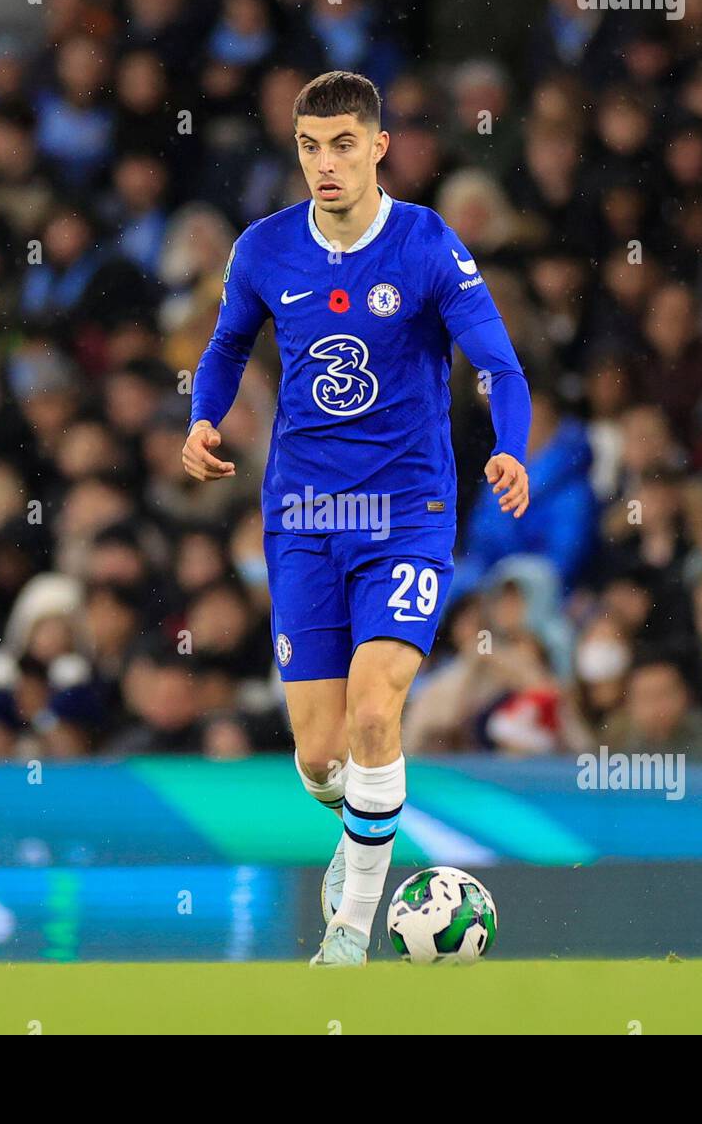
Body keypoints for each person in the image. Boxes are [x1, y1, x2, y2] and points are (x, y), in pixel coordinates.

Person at [182, 71, 531, 966]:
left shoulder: (425, 243)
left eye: (343, 144)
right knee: (317, 757)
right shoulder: (263, 249)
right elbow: (225, 346)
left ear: (379, 146)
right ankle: (360, 833)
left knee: (377, 709)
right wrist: (202, 418)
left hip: (405, 514)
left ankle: (351, 927)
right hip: (301, 515)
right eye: (309, 146)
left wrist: (511, 445)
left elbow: (497, 360)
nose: (324, 164)